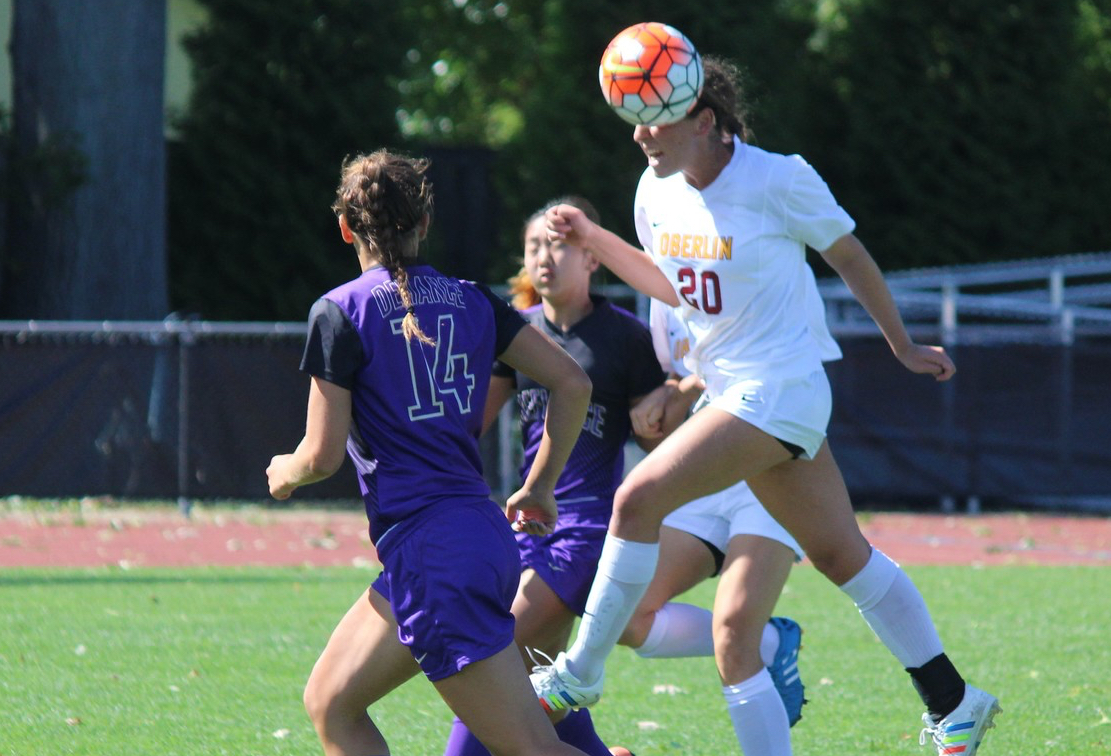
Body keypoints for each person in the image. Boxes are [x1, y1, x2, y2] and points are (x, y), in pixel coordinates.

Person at [527, 57, 1002, 755]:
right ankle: (954, 700)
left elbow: (849, 256)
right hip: (735, 394)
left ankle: (578, 673)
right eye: (634, 120)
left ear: (704, 121)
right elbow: (672, 285)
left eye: (654, 120)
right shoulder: (654, 191)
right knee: (841, 555)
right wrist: (595, 239)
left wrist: (900, 344)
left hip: (781, 388)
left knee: (636, 499)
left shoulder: (778, 178)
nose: (639, 135)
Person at [266, 149, 594, 756]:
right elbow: (572, 383)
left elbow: (320, 457)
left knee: (532, 750)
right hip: (474, 537)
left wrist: (282, 473)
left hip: (432, 554)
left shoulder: (340, 311)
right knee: (332, 703)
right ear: (424, 223)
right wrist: (540, 485)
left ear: (346, 228)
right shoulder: (474, 300)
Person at [441, 197, 667, 756]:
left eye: (559, 245)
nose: (545, 257)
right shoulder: (519, 336)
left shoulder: (627, 336)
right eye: (534, 246)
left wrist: (668, 404)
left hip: (587, 531)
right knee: (534, 674)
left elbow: (660, 444)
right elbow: (467, 426)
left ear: (592, 257)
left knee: (494, 655)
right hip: (525, 528)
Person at [608, 296, 810, 756]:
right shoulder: (660, 293)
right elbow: (680, 383)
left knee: (734, 638)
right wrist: (658, 405)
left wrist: (681, 389)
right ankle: (773, 641)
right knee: (627, 617)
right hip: (704, 476)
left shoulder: (750, 266)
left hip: (770, 467)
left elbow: (751, 364)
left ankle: (947, 694)